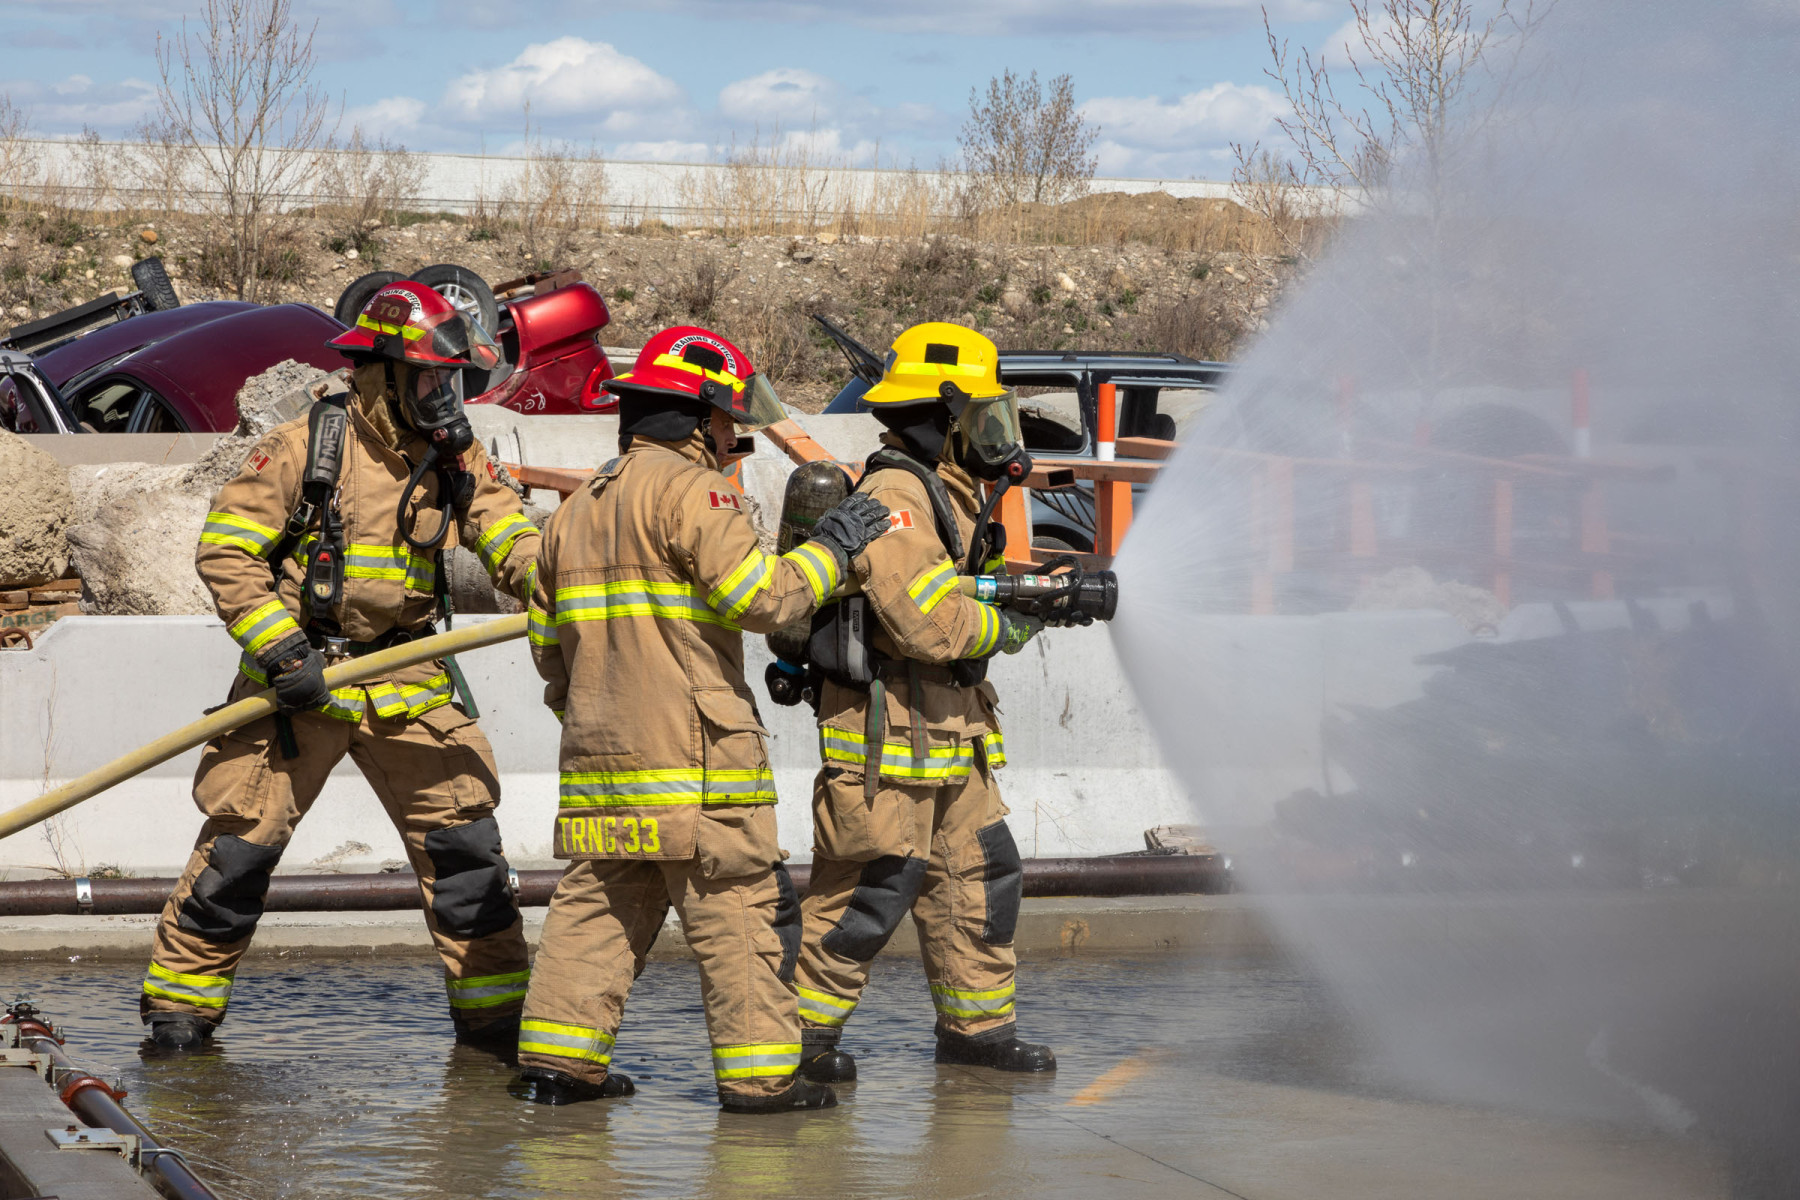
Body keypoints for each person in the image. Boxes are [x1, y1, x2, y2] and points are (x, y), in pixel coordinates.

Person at [140, 282, 538, 1051]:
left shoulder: (455, 456)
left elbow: (511, 538)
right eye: (428, 378)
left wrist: (570, 586)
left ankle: (494, 1031)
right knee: (237, 854)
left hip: (408, 680)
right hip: (303, 684)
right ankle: (179, 1021)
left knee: (467, 858)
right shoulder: (303, 448)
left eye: (450, 380)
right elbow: (226, 551)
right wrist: (281, 649)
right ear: (381, 372)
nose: (443, 396)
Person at [514, 325, 891, 1112]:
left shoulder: (576, 509)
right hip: (700, 763)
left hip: (602, 763)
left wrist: (595, 717)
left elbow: (549, 651)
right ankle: (759, 1082)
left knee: (596, 910)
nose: (732, 439)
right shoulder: (698, 492)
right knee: (738, 911)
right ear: (697, 419)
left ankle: (557, 1069)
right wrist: (832, 546)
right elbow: (763, 599)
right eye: (726, 423)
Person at [789, 322, 1060, 1082]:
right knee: (867, 897)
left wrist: (1030, 596)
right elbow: (929, 624)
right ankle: (799, 1042)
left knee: (981, 877)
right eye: (985, 416)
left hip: (951, 734)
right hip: (887, 742)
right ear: (945, 418)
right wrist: (1014, 621)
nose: (998, 434)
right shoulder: (897, 496)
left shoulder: (946, 490)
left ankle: (978, 1032)